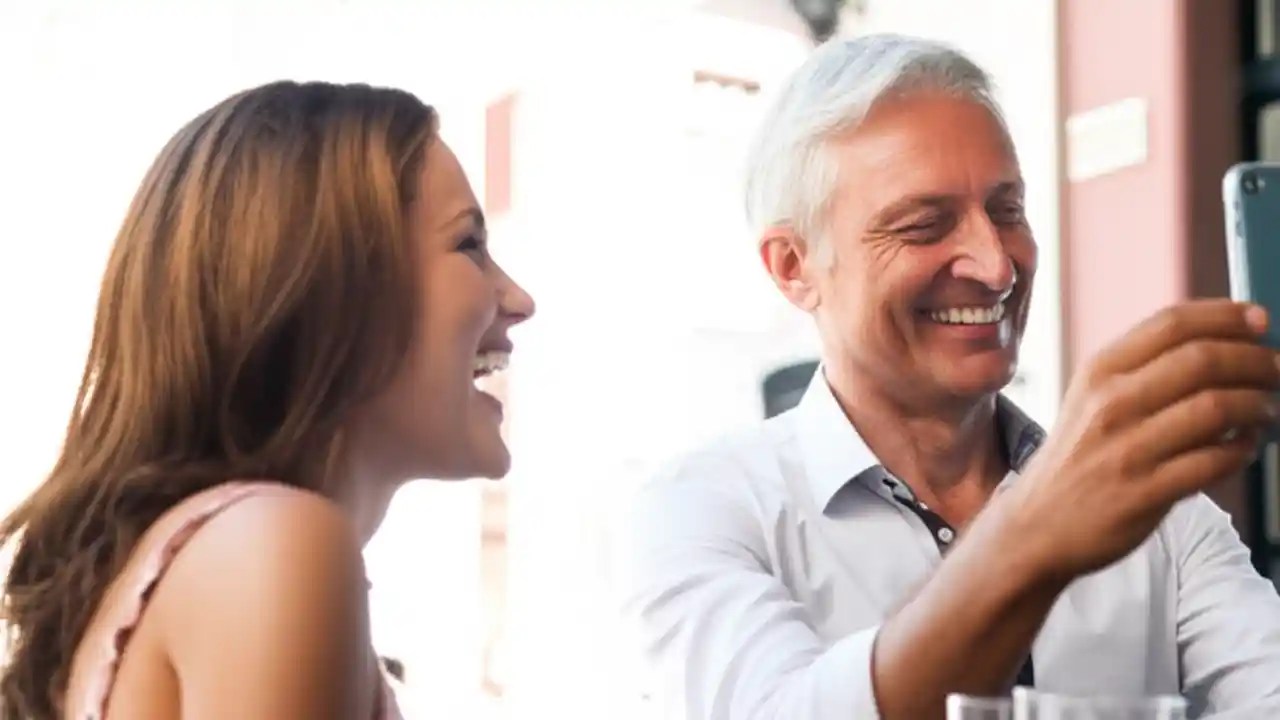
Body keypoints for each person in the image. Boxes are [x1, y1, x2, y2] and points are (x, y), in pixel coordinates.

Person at [615, 33, 1280, 719]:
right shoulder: (707, 509)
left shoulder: (1164, 519)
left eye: (1007, 211)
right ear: (794, 267)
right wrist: (1036, 534)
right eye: (925, 225)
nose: (995, 266)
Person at [0, 80, 534, 719]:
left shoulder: (218, 553)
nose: (519, 301)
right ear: (328, 289)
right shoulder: (274, 543)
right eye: (469, 245)